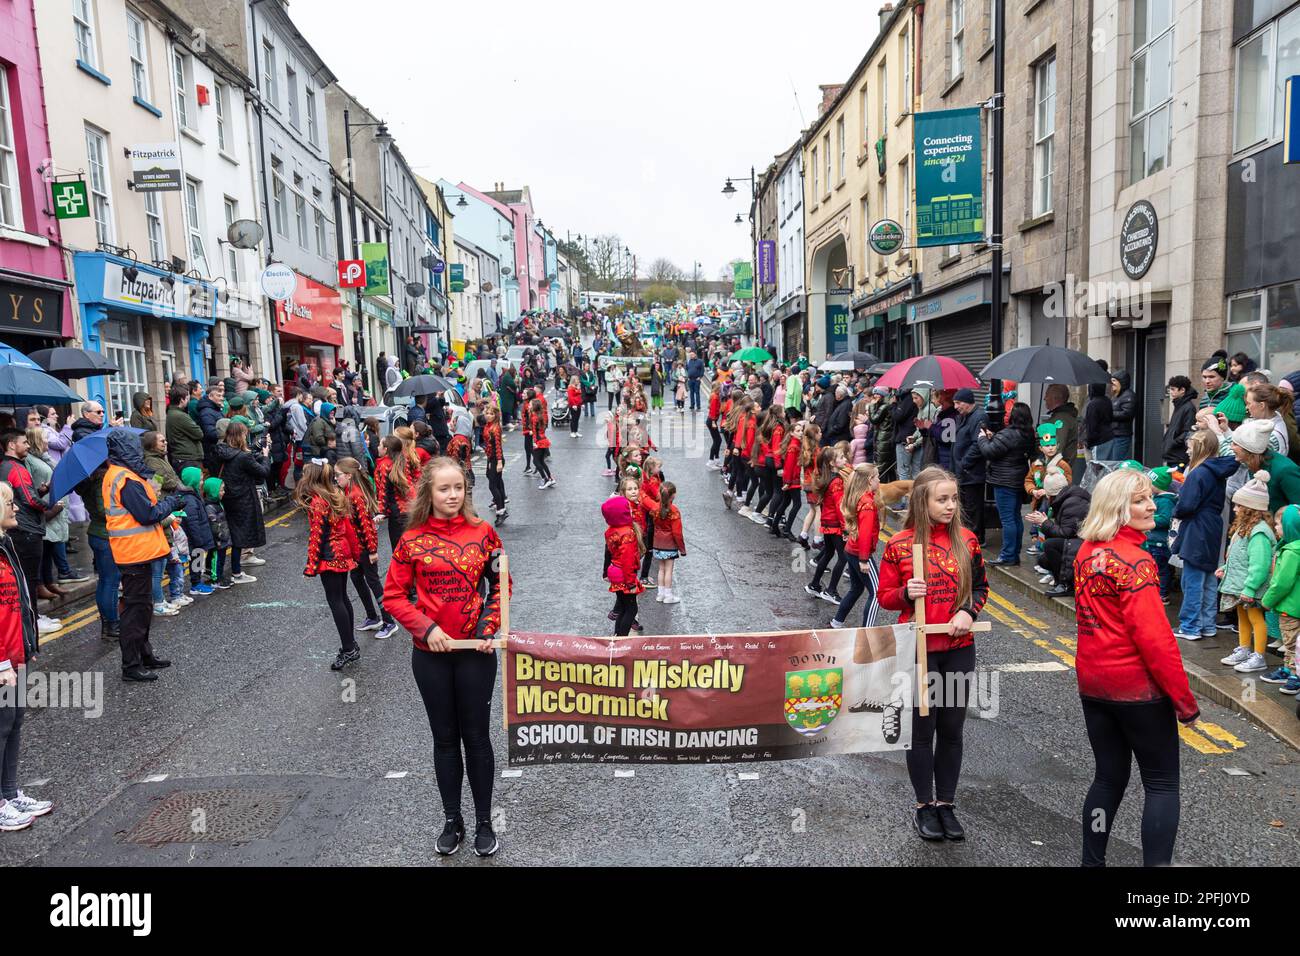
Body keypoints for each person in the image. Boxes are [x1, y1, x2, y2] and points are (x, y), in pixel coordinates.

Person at [1073, 468, 1199, 867]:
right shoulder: (1138, 562)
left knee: (1108, 779)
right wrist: (1184, 701)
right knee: (1161, 785)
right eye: (1140, 500)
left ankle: (1091, 862)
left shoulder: (1086, 551)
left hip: (1093, 682)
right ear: (1118, 508)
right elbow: (1156, 641)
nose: (1152, 505)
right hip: (1137, 690)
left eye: (1151, 497)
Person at [383, 457, 505, 857]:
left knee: (477, 738)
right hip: (431, 656)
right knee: (445, 740)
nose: (453, 495)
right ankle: (452, 820)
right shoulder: (411, 539)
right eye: (444, 489)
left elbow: (501, 587)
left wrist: (488, 628)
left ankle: (485, 821)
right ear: (428, 493)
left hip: (476, 654)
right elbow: (394, 596)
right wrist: (426, 628)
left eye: (459, 488)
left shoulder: (484, 534)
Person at [878, 466, 989, 842]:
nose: (950, 506)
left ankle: (946, 804)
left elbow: (982, 589)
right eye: (942, 499)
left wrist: (966, 612)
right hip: (918, 649)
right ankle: (924, 806)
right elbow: (884, 596)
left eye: (954, 499)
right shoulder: (899, 545)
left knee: (952, 730)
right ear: (921, 502)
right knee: (922, 730)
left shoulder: (968, 542)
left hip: (958, 650)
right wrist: (906, 592)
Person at [102, 430, 183, 682]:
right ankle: (131, 665)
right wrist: (172, 503)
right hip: (133, 553)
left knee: (142, 607)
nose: (138, 451)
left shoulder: (121, 474)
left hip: (137, 550)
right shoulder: (124, 478)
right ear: (126, 450)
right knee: (135, 611)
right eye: (134, 447)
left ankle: (144, 655)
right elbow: (147, 514)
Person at [0, 481, 50, 832]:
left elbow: (17, 605)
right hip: (2, 662)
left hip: (14, 655)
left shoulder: (6, 546)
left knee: (13, 722)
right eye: (8, 502)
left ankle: (9, 792)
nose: (15, 507)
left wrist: (26, 646)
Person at [1172, 430, 1237, 641]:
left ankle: (1190, 626)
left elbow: (1187, 505)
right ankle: (1208, 624)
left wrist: (1176, 507)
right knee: (1208, 579)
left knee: (1192, 580)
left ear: (1199, 448)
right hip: (1212, 525)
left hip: (1196, 526)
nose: (1187, 452)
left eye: (1190, 447)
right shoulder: (1217, 470)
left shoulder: (1198, 472)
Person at [297, 459, 361, 670]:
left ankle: (349, 647)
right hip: (342, 551)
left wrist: (310, 566)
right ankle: (350, 644)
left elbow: (317, 536)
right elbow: (348, 528)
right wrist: (356, 553)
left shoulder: (317, 502)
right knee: (342, 597)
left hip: (330, 555)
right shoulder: (335, 494)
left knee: (336, 601)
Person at [1216, 471, 1275, 675]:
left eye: (1238, 505)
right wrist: (1225, 569)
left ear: (1250, 509)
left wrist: (1250, 587)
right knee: (1242, 616)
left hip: (1249, 587)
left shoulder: (1259, 533)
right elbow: (1238, 557)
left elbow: (1259, 564)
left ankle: (1258, 655)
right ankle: (1244, 648)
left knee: (1256, 618)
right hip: (1240, 585)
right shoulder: (1243, 528)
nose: (1234, 508)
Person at [334, 457, 398, 640]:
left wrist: (372, 551)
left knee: (373, 583)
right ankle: (372, 617)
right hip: (356, 549)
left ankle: (389, 622)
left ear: (348, 475)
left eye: (338, 475)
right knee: (356, 578)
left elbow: (366, 526)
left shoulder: (355, 495)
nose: (335, 478)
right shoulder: (348, 491)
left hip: (364, 549)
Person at [0, 431, 58, 635]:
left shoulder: (5, 466)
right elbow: (30, 501)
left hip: (19, 529)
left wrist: (40, 491)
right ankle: (33, 623)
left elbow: (23, 495)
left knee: (24, 579)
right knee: (29, 580)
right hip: (27, 531)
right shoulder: (15, 467)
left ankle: (31, 621)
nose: (27, 446)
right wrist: (52, 504)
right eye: (24, 443)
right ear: (11, 445)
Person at [976, 402, 1034, 566]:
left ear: (1014, 417)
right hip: (1017, 480)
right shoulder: (1028, 433)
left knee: (1007, 519)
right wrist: (993, 437)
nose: (1005, 415)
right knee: (1015, 517)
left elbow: (989, 451)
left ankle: (1008, 555)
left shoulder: (1009, 434)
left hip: (1004, 481)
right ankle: (1014, 553)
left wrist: (982, 439)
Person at [212, 422, 269, 586]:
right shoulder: (243, 457)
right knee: (239, 537)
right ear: (239, 436)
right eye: (244, 434)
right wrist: (265, 456)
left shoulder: (219, 451)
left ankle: (218, 571)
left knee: (225, 536)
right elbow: (263, 472)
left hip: (225, 497)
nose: (246, 436)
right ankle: (236, 572)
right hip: (243, 499)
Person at [830, 463, 881, 629]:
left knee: (856, 589)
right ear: (869, 480)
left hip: (851, 551)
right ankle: (867, 632)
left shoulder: (860, 497)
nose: (879, 480)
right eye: (877, 477)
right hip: (860, 554)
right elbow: (865, 534)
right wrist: (864, 560)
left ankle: (837, 622)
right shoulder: (867, 504)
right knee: (877, 593)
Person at [1027, 472, 1090, 597]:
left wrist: (1045, 523)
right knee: (1043, 559)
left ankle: (1065, 584)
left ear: (1051, 494)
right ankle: (1061, 581)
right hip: (1077, 541)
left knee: (1050, 545)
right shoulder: (1067, 498)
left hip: (1084, 544)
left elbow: (1067, 533)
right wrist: (1044, 523)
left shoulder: (1073, 503)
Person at [1261, 504, 1300, 694]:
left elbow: (1283, 583)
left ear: (1290, 527)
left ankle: (1294, 675)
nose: (1275, 528)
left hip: (1290, 607)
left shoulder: (1292, 551)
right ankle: (1289, 669)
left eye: (1279, 524)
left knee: (1291, 642)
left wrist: (1267, 600)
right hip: (1295, 605)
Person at [805, 446, 851, 603]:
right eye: (841, 457)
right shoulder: (837, 480)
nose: (845, 459)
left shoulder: (827, 477)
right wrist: (845, 529)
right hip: (835, 524)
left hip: (827, 522)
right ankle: (831, 590)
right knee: (843, 557)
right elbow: (840, 507)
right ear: (832, 462)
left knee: (829, 553)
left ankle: (814, 584)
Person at [602, 494, 643, 637]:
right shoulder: (627, 534)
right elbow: (627, 560)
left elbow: (609, 552)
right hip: (623, 573)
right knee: (631, 609)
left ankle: (616, 635)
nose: (630, 511)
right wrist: (631, 583)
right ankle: (621, 638)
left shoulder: (611, 531)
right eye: (627, 509)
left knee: (623, 607)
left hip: (614, 570)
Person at [376, 434, 421, 551]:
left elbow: (383, 490)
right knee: (412, 547)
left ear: (386, 449)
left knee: (399, 551)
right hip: (411, 509)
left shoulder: (385, 465)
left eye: (380, 444)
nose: (377, 447)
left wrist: (380, 512)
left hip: (398, 514)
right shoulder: (402, 459)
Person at [1143, 467, 1178, 603]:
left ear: (1157, 485)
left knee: (1161, 570)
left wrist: (1149, 518)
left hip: (1160, 542)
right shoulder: (1157, 498)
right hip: (1154, 541)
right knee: (1157, 568)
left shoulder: (1165, 501)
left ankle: (1162, 594)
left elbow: (1165, 519)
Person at [651, 482, 686, 605]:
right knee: (669, 570)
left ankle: (660, 594)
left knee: (661, 569)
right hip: (669, 545)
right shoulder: (674, 511)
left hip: (657, 543)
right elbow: (677, 533)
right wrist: (682, 548)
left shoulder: (655, 508)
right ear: (673, 495)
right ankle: (668, 595)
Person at [1043, 384, 1080, 470]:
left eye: (1047, 395)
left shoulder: (1061, 420)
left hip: (1057, 471)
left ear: (1055, 398)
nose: (1045, 398)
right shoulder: (1062, 417)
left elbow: (1057, 447)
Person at [482, 406, 508, 523]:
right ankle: (502, 509)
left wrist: (498, 463)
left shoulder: (495, 429)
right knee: (496, 484)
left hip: (495, 459)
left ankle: (501, 510)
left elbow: (498, 446)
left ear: (496, 415)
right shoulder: (488, 426)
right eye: (487, 413)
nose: (488, 415)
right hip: (491, 458)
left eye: (491, 414)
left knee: (493, 486)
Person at [1083, 380, 1115, 461]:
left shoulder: (1093, 404)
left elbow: (1091, 427)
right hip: (1109, 438)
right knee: (1106, 467)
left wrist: (1088, 443)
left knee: (1096, 468)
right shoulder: (1107, 401)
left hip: (1097, 442)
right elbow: (1111, 418)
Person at [529, 398, 554, 490]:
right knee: (542, 461)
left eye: (530, 405)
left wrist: (535, 443)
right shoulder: (540, 415)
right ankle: (550, 478)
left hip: (539, 442)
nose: (529, 406)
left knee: (536, 461)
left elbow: (535, 432)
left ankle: (545, 479)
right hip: (544, 440)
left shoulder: (534, 417)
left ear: (534, 407)